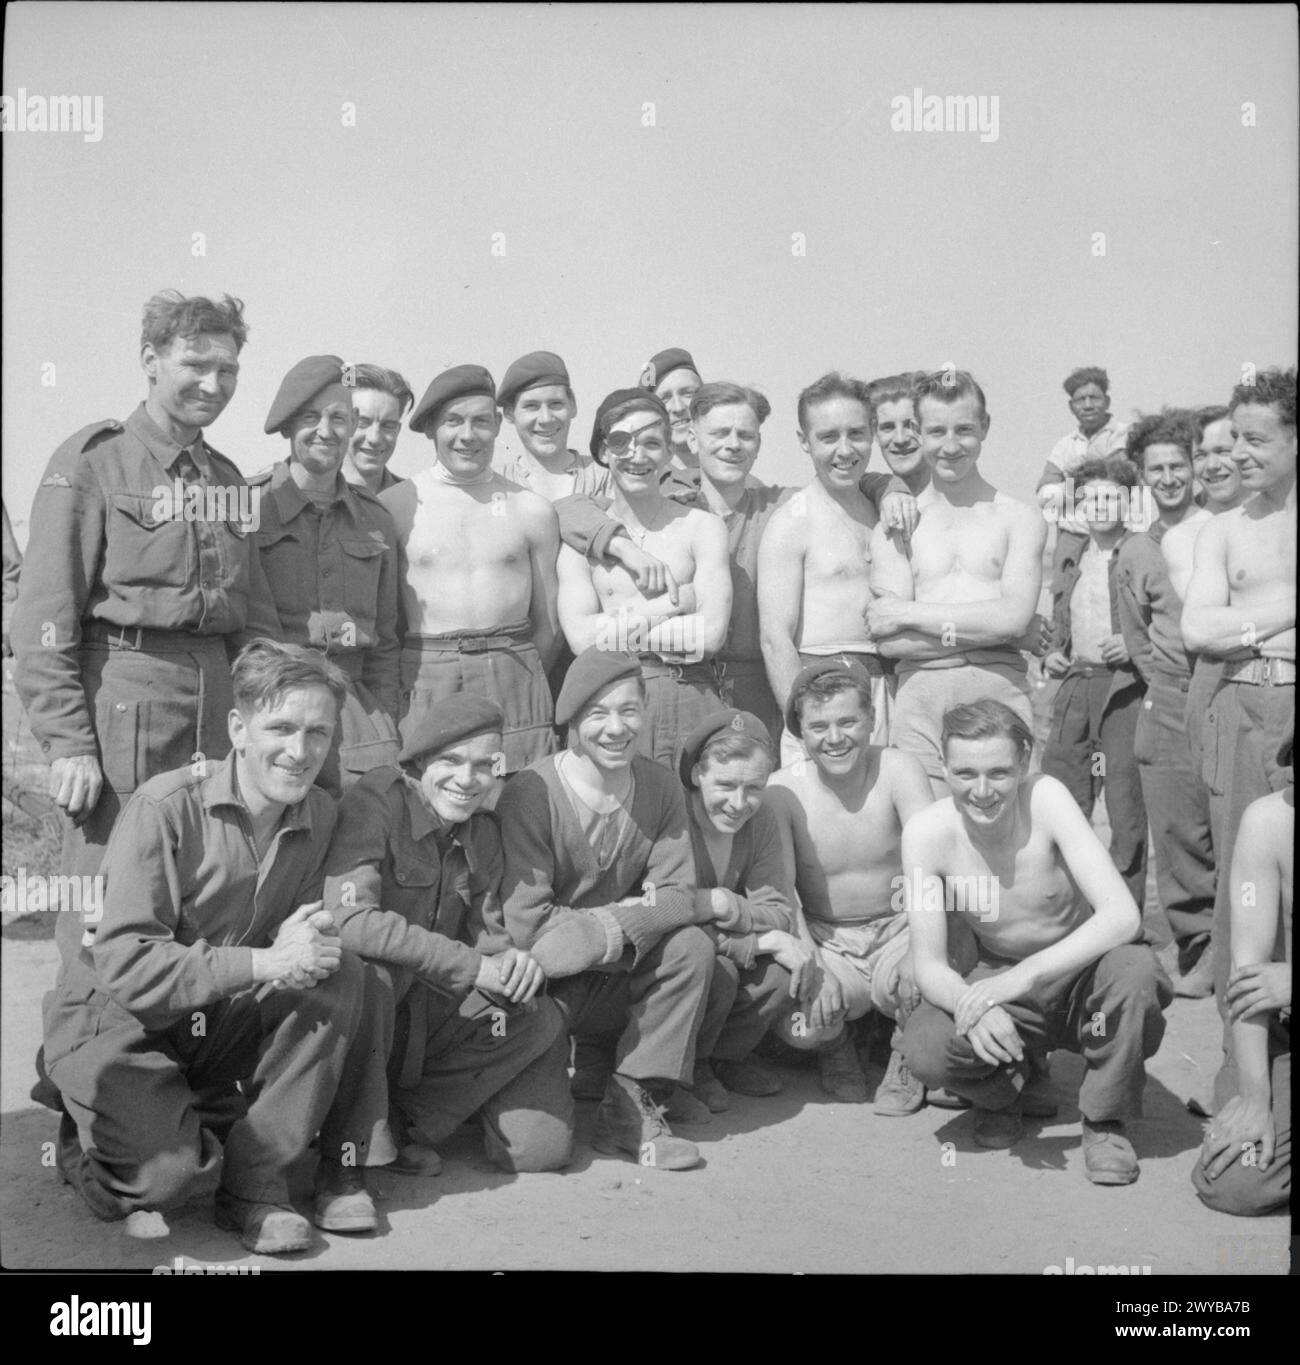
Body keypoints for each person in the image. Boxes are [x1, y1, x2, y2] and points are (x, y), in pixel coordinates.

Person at [41, 642, 369, 1253]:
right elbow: (128, 963)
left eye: (318, 733)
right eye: (281, 728)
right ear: (237, 729)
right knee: (164, 1180)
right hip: (119, 1019)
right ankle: (81, 1114)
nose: (299, 752)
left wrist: (313, 939)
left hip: (211, 1018)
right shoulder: (166, 807)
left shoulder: (322, 815)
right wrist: (268, 960)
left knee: (338, 973)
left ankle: (254, 1189)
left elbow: (328, 922)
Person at [10, 290, 277, 968]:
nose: (214, 384)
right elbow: (44, 616)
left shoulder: (226, 481)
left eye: (229, 369)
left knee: (203, 876)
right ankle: (86, 1051)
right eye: (195, 364)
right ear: (150, 361)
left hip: (215, 704)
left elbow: (255, 624)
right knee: (108, 885)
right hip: (123, 703)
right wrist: (69, 742)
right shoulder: (93, 462)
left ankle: (181, 1053)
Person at [317, 694, 573, 1218]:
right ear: (417, 765)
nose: (468, 779)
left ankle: (407, 1120)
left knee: (531, 1012)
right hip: (362, 1013)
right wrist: (474, 966)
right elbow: (349, 918)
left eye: (484, 766)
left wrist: (512, 964)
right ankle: (341, 1165)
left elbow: (489, 934)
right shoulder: (376, 801)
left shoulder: (482, 830)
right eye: (451, 762)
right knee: (370, 976)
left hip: (425, 1016)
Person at [902, 700, 1172, 1184]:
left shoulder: (1046, 797)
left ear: (1023, 765)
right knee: (925, 1046)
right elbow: (928, 964)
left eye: (999, 773)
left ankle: (1105, 1120)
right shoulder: (926, 832)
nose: (982, 791)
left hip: (1081, 970)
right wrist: (973, 1002)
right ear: (944, 768)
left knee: (1138, 973)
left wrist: (1021, 978)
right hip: (999, 975)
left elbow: (1122, 916)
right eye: (965, 773)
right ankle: (1009, 1092)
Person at [495, 648, 716, 1170]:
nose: (616, 729)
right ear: (572, 721)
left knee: (692, 947)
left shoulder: (659, 785)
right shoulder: (531, 791)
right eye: (597, 713)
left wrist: (610, 928)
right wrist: (630, 919)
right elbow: (527, 923)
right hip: (545, 987)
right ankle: (569, 1069)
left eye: (629, 711)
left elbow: (680, 893)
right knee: (534, 1152)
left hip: (608, 968)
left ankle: (631, 1099)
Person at [764, 660, 934, 1112]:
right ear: (800, 732)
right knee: (805, 1026)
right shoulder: (782, 791)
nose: (835, 738)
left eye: (848, 722)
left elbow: (931, 870)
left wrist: (922, 949)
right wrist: (811, 963)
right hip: (829, 937)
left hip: (898, 929)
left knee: (930, 988)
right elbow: (782, 889)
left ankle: (905, 1051)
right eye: (818, 726)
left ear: (872, 720)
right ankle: (837, 1044)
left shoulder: (900, 770)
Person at [868, 369, 1046, 799]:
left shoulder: (1019, 518)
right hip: (920, 705)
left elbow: (1013, 617)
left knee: (1009, 843)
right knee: (928, 838)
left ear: (985, 427)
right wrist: (996, 634)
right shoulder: (897, 524)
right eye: (936, 431)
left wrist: (908, 613)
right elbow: (889, 642)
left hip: (1000, 694)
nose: (950, 446)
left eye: (964, 429)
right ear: (919, 432)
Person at [381, 364, 561, 774]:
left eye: (481, 421)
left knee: (519, 802)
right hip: (428, 677)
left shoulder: (531, 509)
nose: (467, 435)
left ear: (498, 425)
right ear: (430, 428)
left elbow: (548, 626)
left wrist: (521, 680)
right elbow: (386, 622)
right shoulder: (395, 507)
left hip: (515, 676)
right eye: (453, 422)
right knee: (430, 797)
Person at [1182, 367, 1296, 1013]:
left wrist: (1247, 622)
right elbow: (1201, 628)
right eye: (1233, 441)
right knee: (1242, 879)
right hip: (1242, 703)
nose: (1239, 454)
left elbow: (1227, 625)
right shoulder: (1224, 529)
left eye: (1256, 439)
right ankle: (1243, 1070)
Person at [248, 355, 401, 791]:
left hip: (356, 720)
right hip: (272, 705)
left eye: (339, 418)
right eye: (311, 417)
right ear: (286, 427)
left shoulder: (375, 519)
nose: (326, 430)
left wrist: (382, 717)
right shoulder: (251, 506)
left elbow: (386, 642)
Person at [556, 389, 731, 766]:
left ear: (669, 452)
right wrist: (670, 605)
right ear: (603, 452)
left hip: (688, 695)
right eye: (621, 442)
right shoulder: (580, 542)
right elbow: (581, 640)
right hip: (608, 701)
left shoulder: (702, 527)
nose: (637, 456)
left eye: (652, 443)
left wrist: (615, 630)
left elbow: (711, 636)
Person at [1116, 412, 1216, 994]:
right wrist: (1171, 685)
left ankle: (1244, 944)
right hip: (1170, 698)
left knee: (1230, 824)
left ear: (1197, 463)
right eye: (1157, 469)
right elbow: (1136, 635)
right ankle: (1198, 946)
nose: (1170, 477)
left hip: (1227, 690)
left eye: (1179, 464)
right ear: (1141, 475)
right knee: (1178, 832)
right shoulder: (1135, 551)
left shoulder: (1220, 527)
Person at [677, 709, 816, 1105]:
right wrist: (759, 942)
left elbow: (776, 909)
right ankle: (690, 1066)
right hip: (680, 955)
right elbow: (670, 916)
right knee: (713, 967)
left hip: (719, 939)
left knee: (777, 975)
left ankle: (725, 1057)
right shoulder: (675, 819)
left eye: (754, 787)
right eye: (724, 784)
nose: (739, 803)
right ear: (696, 775)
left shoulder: (762, 821)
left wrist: (722, 907)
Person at [758, 373, 893, 763]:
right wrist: (805, 725)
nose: (845, 449)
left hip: (883, 695)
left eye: (856, 434)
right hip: (820, 699)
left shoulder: (882, 509)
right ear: (804, 440)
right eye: (828, 437)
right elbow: (775, 639)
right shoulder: (792, 520)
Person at [1040, 453, 1148, 910]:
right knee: (1061, 795)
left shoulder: (1141, 552)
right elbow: (1056, 620)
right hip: (1076, 687)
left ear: (1128, 502)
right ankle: (1064, 913)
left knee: (1122, 806)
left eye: (1111, 497)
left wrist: (1134, 645)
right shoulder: (1071, 554)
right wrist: (1051, 654)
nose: (1101, 506)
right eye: (1091, 498)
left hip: (1122, 689)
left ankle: (1126, 918)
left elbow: (1166, 616)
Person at [1191, 740, 1292, 1218]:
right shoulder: (1268, 820)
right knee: (1235, 1183)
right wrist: (1255, 1095)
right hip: (1280, 1031)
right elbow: (1248, 971)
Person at [1037, 366, 1133, 581]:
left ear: (1107, 401)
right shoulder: (1064, 445)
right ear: (1071, 406)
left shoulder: (1124, 434)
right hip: (1073, 538)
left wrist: (1069, 487)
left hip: (1119, 537)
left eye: (1094, 397)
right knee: (1066, 601)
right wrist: (1084, 486)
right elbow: (1044, 494)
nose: (1088, 405)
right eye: (1081, 399)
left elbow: (1113, 480)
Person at [496, 350, 611, 502]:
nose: (546, 418)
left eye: (556, 404)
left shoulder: (604, 477)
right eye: (531, 406)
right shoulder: (495, 484)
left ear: (573, 405)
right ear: (509, 413)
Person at [343, 363, 415, 496]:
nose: (374, 438)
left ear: (397, 431)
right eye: (362, 423)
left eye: (388, 426)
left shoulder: (413, 501)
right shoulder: (304, 496)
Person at [640, 346, 705, 493]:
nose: (678, 408)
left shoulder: (743, 483)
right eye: (665, 398)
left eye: (687, 394)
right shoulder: (640, 488)